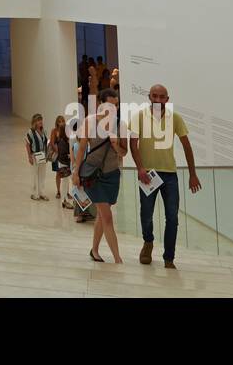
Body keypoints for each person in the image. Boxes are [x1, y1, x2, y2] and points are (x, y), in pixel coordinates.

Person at [130, 83, 201, 270]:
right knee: (146, 215)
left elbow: (187, 146)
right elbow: (133, 144)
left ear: (167, 99)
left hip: (170, 175)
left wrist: (193, 174)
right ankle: (148, 242)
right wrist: (140, 168)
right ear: (149, 97)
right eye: (154, 96)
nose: (158, 100)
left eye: (162, 97)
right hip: (148, 175)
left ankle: (169, 257)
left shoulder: (175, 118)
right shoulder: (139, 117)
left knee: (173, 218)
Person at [72, 87, 127, 263]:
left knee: (103, 215)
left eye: (116, 105)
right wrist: (75, 172)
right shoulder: (89, 122)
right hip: (93, 174)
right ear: (100, 105)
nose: (113, 109)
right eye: (110, 105)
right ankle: (118, 258)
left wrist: (116, 143)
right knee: (107, 216)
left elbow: (124, 153)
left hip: (112, 174)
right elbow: (81, 149)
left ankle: (94, 251)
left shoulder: (120, 125)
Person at [49, 117, 72, 207]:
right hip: (57, 156)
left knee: (66, 174)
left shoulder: (66, 131)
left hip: (65, 156)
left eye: (62, 121)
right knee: (59, 174)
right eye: (59, 121)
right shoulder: (54, 131)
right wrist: (57, 150)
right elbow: (52, 142)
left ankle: (66, 192)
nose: (61, 123)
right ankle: (59, 191)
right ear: (57, 123)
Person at [25, 114, 49, 200]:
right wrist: (29, 157)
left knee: (42, 174)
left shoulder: (44, 131)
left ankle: (41, 192)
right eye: (39, 120)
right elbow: (27, 144)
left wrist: (47, 155)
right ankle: (35, 193)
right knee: (34, 174)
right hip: (34, 155)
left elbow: (46, 144)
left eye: (41, 120)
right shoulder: (30, 132)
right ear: (34, 122)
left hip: (42, 155)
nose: (41, 122)